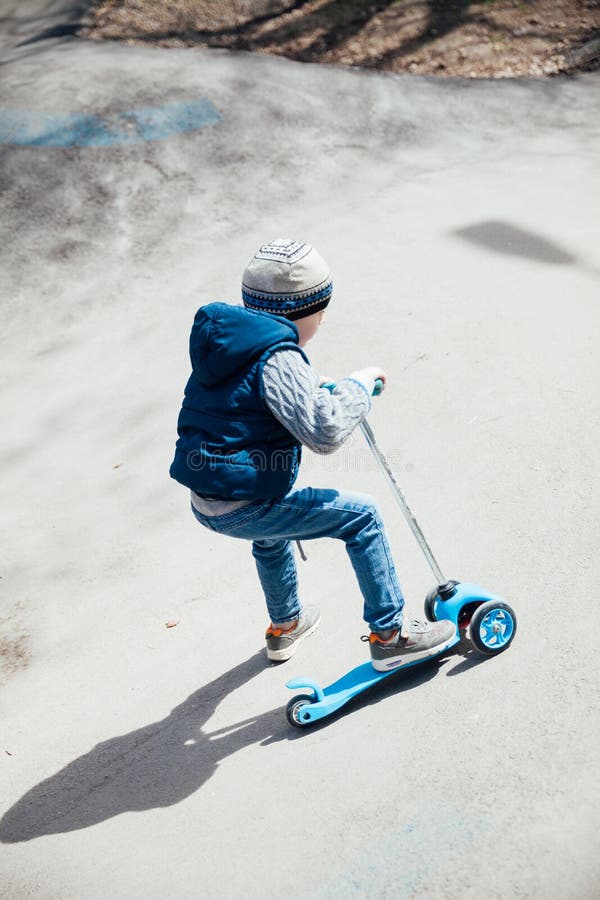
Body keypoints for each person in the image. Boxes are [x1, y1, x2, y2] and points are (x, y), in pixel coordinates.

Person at [170, 239, 455, 669]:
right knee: (362, 516)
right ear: (304, 312)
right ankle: (391, 635)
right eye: (321, 313)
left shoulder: (231, 344)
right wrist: (357, 387)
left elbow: (248, 398)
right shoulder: (279, 358)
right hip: (244, 502)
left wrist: (311, 385)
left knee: (270, 535)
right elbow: (325, 432)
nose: (321, 322)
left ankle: (286, 626)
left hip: (209, 499)